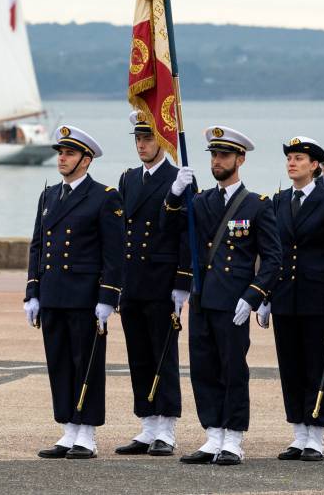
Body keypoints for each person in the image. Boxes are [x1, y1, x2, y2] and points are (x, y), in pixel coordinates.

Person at [167, 126, 281, 466]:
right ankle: (213, 433)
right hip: (203, 297)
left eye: (224, 155)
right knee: (203, 368)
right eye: (214, 155)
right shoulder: (201, 201)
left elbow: (273, 258)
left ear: (240, 159)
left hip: (234, 302)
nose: (217, 161)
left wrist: (254, 296)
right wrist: (175, 194)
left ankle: (233, 437)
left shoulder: (257, 205)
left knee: (233, 369)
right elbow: (169, 228)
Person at [24, 125, 121, 460]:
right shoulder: (49, 195)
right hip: (53, 293)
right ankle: (68, 429)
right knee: (60, 363)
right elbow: (37, 246)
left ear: (86, 160)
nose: (62, 159)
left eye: (69, 153)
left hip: (84, 296)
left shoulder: (104, 196)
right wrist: (32, 291)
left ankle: (87, 434)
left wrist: (108, 298)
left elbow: (114, 253)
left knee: (86, 364)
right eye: (60, 153)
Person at [259, 136, 324, 462]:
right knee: (290, 366)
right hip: (284, 295)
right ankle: (298, 432)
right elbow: (272, 251)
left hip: (316, 295)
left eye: (299, 158)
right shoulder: (279, 200)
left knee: (315, 365)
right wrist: (265, 294)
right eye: (289, 158)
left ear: (315, 165)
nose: (292, 163)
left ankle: (316, 434)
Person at [113, 112, 187, 457]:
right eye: (138, 139)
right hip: (133, 280)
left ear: (162, 140)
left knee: (163, 354)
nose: (141, 145)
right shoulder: (128, 178)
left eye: (148, 138)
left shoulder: (178, 178)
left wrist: (182, 281)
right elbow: (121, 233)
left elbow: (185, 234)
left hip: (161, 280)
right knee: (139, 354)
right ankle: (147, 424)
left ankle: (167, 428)